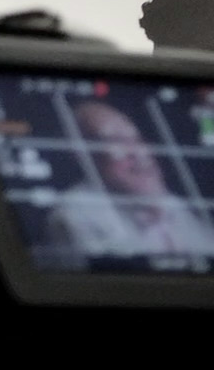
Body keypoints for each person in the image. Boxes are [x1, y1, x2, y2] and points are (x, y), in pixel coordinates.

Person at [42, 99, 214, 260]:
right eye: (117, 142)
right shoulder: (74, 215)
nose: (139, 153)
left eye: (137, 140)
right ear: (84, 156)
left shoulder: (175, 206)